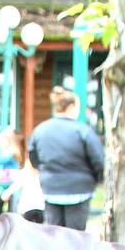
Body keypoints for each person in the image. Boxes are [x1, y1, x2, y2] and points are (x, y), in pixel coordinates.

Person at [27, 86, 104, 230]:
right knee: (76, 236)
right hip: (79, 189)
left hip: (50, 188)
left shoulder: (40, 130)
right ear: (72, 106)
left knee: (53, 234)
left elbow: (33, 157)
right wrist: (97, 178)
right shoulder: (83, 131)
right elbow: (98, 160)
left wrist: (45, 172)